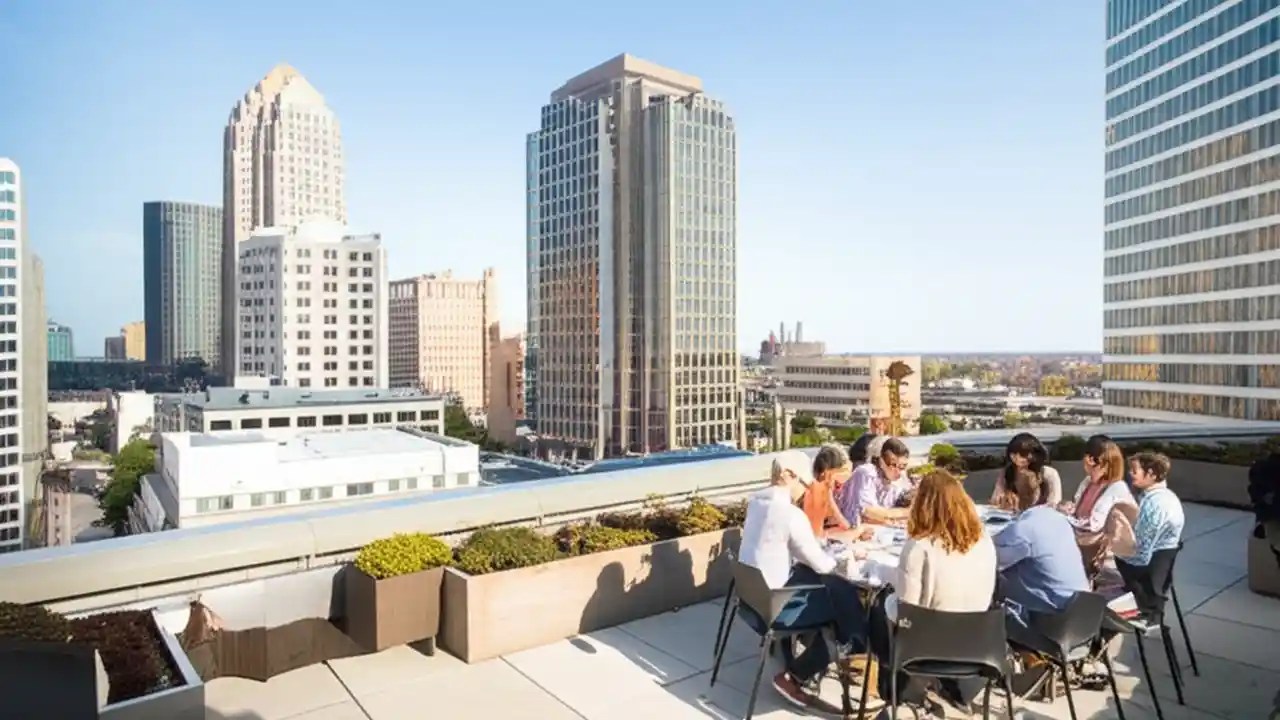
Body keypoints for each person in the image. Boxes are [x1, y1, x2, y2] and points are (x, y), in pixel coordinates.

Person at [738, 450, 870, 710]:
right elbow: (823, 564)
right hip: (776, 609)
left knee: (829, 588)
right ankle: (803, 672)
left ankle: (831, 651)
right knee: (846, 601)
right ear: (788, 475)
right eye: (803, 484)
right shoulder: (790, 514)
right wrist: (850, 555)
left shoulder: (755, 503)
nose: (805, 491)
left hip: (751, 601)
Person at [870, 469, 997, 716]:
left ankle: (894, 694)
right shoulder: (985, 541)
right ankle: (923, 691)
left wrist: (887, 591)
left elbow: (906, 612)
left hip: (930, 646)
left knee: (879, 608)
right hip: (976, 642)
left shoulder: (919, 547)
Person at [994, 468, 1090, 624]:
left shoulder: (1025, 529)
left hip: (1055, 613)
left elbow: (991, 558)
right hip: (1082, 606)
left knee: (997, 578)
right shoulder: (1060, 520)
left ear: (1015, 497)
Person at [1062, 435, 1134, 534]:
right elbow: (1077, 513)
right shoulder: (1087, 482)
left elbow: (1095, 525)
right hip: (1082, 537)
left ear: (1090, 459)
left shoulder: (1117, 488)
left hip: (1103, 540)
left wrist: (1065, 518)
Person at [841, 437, 912, 526]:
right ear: (881, 461)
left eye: (903, 466)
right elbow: (869, 512)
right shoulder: (866, 473)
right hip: (850, 527)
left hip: (873, 528)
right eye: (893, 465)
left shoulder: (897, 479)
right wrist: (907, 512)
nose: (898, 471)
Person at [991, 433, 1063, 509]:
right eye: (1013, 454)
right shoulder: (1007, 473)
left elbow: (1055, 502)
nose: (1016, 457)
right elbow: (996, 500)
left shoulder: (1049, 473)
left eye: (1023, 454)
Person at [799, 444, 855, 537]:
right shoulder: (815, 492)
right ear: (826, 472)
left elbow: (843, 526)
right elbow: (816, 536)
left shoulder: (824, 492)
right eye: (842, 472)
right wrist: (857, 531)